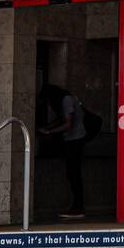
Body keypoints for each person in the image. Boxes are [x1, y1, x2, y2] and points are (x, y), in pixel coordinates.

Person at [38, 83, 86, 220]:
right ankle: (77, 206)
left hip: (75, 140)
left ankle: (78, 207)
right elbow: (61, 120)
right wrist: (48, 127)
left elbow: (67, 124)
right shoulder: (67, 99)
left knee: (73, 174)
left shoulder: (66, 100)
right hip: (73, 140)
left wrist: (49, 131)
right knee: (72, 174)